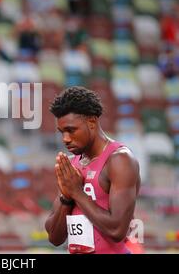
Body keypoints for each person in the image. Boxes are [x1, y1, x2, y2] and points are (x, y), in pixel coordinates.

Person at [44, 86, 141, 254]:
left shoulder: (119, 160)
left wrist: (77, 193)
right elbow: (54, 237)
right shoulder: (73, 165)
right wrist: (66, 198)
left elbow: (117, 230)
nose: (65, 139)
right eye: (62, 132)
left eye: (71, 130)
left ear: (91, 122)